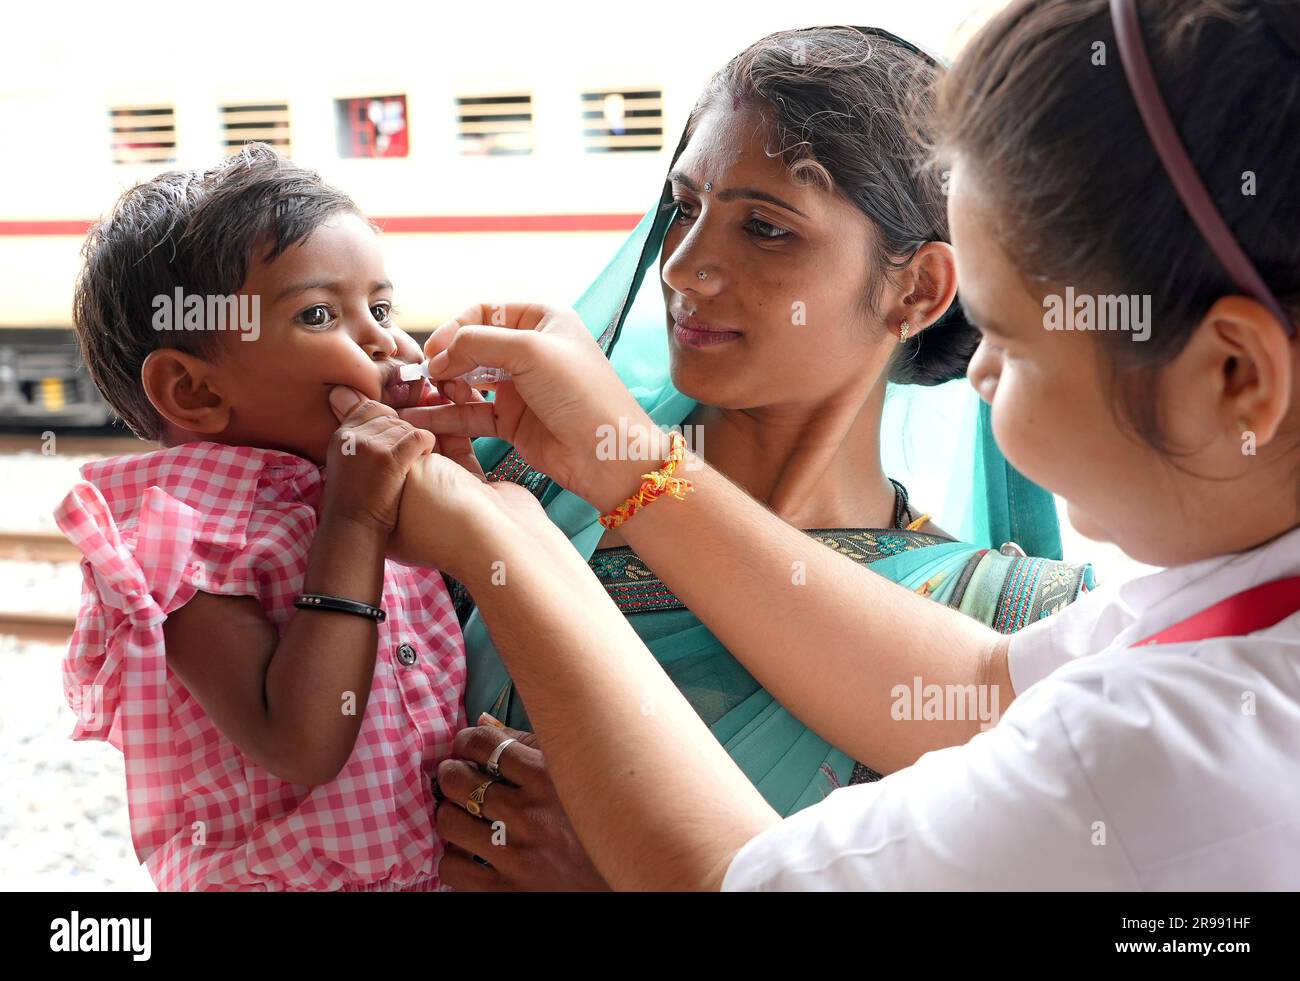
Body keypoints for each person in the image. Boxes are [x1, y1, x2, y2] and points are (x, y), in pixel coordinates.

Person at [381, 0, 1300, 889]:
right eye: (683, 206)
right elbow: (976, 686)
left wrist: (502, 536)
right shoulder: (1200, 623)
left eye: (1014, 345)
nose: (685, 266)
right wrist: (597, 463)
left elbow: (730, 880)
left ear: (1235, 378)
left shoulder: (1179, 741)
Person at [55, 145, 468, 891]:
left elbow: (476, 593)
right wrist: (353, 521)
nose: (385, 343)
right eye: (320, 314)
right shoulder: (184, 535)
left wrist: (460, 461)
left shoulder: (346, 477)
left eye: (380, 307)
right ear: (193, 390)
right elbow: (301, 741)